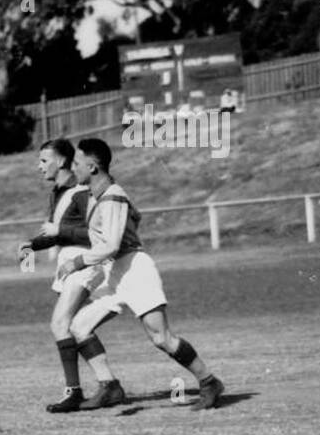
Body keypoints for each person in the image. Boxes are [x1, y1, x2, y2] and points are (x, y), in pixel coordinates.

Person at [60, 138, 225, 410]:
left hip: (135, 269)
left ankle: (208, 381)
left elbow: (112, 244)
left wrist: (76, 262)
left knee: (161, 338)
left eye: (76, 163)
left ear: (91, 167)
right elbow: (130, 222)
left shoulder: (112, 196)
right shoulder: (98, 196)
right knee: (79, 326)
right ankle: (110, 387)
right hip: (115, 271)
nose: (72, 168)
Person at [20, 138, 121, 412]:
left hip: (85, 264)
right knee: (76, 326)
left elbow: (95, 234)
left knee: (61, 324)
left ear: (62, 161)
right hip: (69, 265)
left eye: (44, 160)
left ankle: (79, 391)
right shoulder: (57, 193)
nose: (39, 166)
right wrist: (32, 244)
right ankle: (105, 385)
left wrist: (58, 233)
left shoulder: (80, 192)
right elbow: (56, 234)